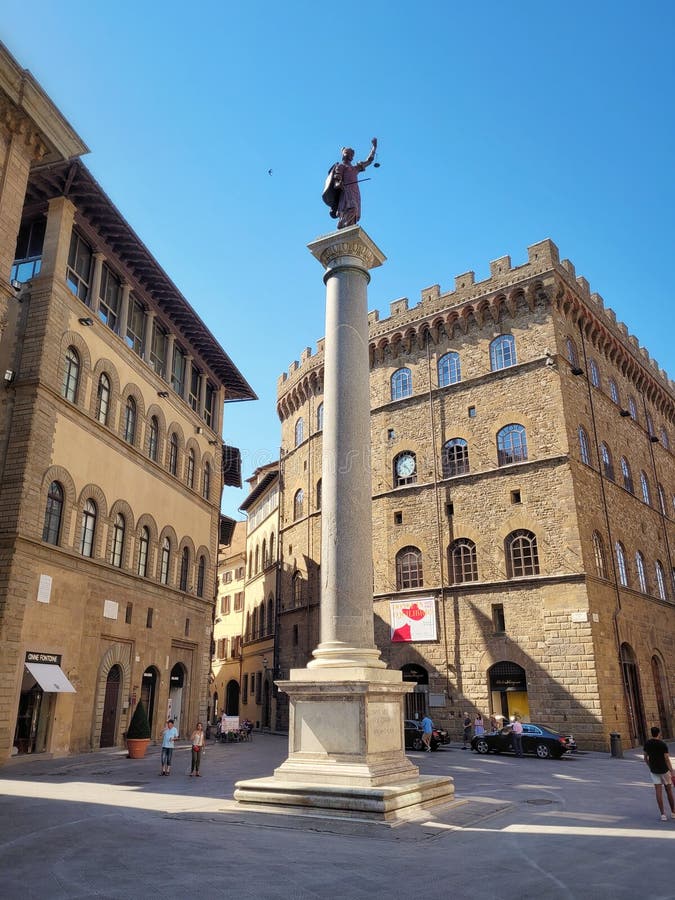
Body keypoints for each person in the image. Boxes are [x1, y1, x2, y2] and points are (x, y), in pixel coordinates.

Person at [322, 138, 378, 229]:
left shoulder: (355, 168)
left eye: (351, 154)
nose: (349, 156)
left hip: (355, 191)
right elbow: (337, 176)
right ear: (343, 155)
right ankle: (343, 224)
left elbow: (369, 160)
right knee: (351, 208)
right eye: (347, 153)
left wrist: (374, 148)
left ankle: (346, 225)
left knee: (355, 212)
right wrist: (337, 183)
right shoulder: (341, 166)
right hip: (346, 190)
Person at [644, 725, 675, 821]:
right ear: (659, 733)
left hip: (654, 770)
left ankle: (663, 814)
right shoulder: (662, 744)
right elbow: (666, 758)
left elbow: (645, 758)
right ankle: (673, 812)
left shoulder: (647, 744)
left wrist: (650, 766)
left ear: (651, 733)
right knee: (669, 790)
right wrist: (672, 770)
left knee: (658, 792)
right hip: (664, 770)